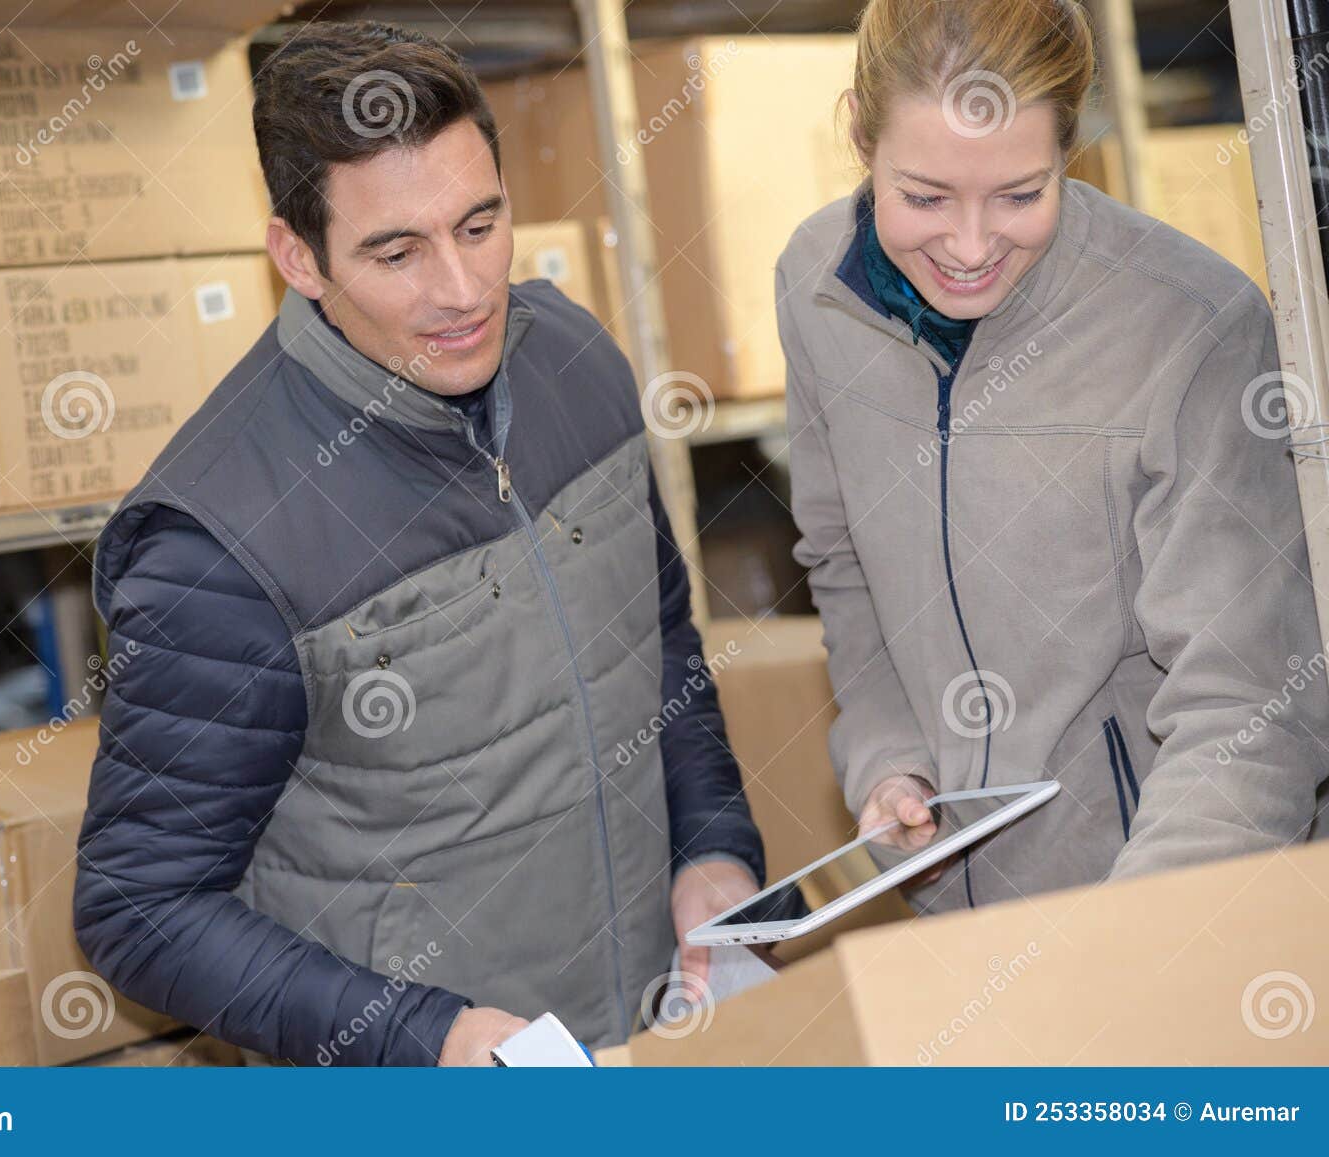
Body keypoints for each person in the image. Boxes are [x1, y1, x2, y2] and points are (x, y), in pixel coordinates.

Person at [72, 21, 766, 1066]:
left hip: (645, 1042)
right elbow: (140, 905)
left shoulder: (577, 363)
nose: (463, 290)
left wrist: (714, 845)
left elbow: (659, 643)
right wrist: (421, 1035)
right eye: (396, 252)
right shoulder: (220, 540)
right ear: (296, 257)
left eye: (480, 224)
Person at [778, 0, 1329, 912]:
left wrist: (1122, 949)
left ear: (1071, 146)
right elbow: (841, 563)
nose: (968, 248)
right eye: (923, 197)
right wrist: (886, 760)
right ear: (857, 133)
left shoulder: (1188, 328)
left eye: (1020, 194)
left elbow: (1251, 706)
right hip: (962, 925)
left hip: (1166, 918)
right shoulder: (811, 289)